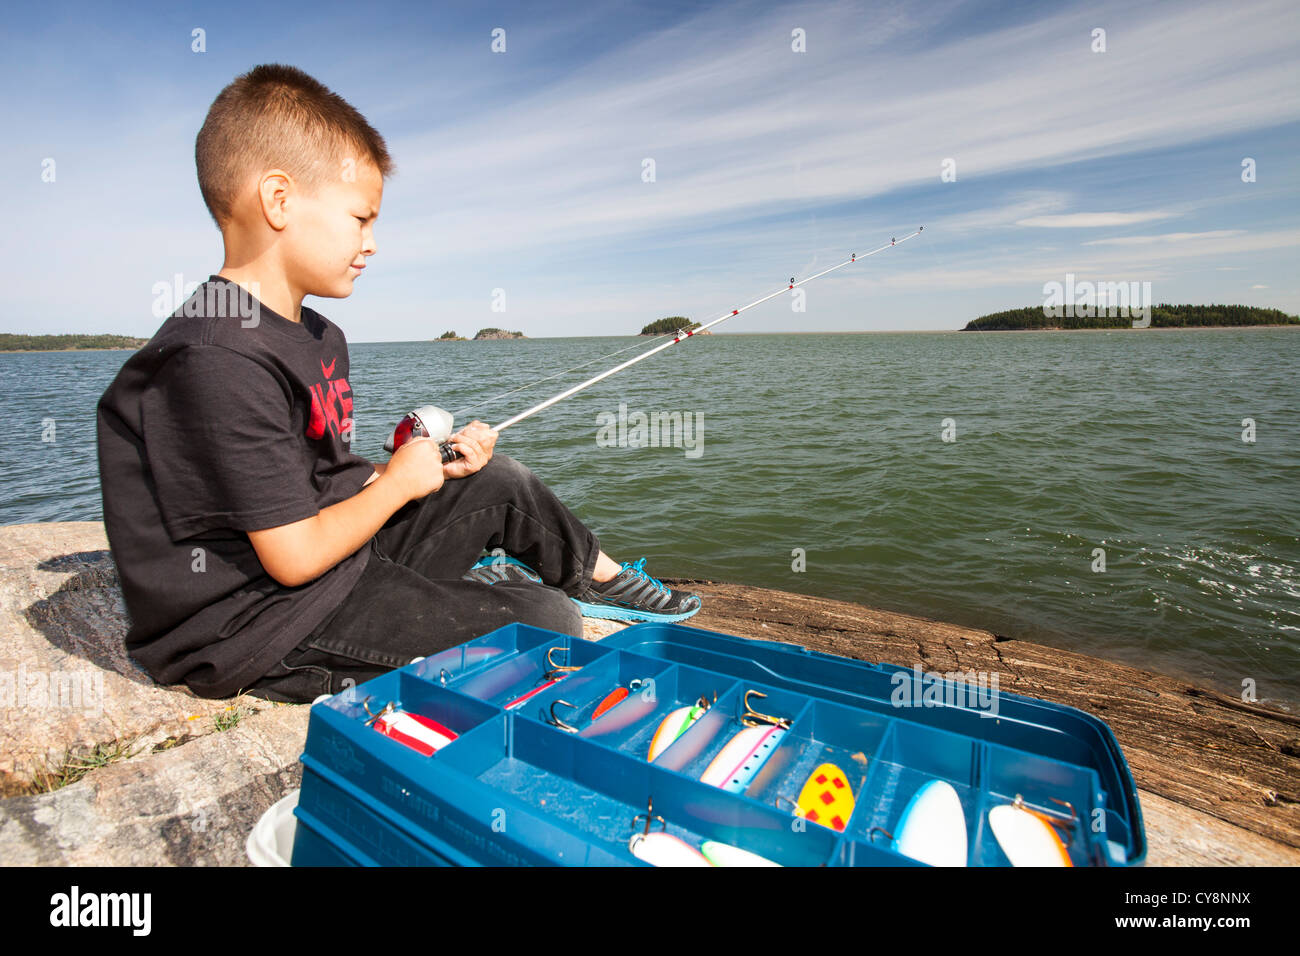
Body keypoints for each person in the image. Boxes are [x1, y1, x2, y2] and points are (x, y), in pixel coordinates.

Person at [96, 64, 701, 704]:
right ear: (278, 200)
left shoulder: (317, 333)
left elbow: (318, 481)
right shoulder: (215, 356)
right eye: (361, 218)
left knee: (498, 483)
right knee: (546, 623)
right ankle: (512, 600)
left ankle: (599, 577)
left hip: (336, 565)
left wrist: (412, 470)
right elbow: (293, 556)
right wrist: (399, 489)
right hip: (263, 623)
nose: (373, 243)